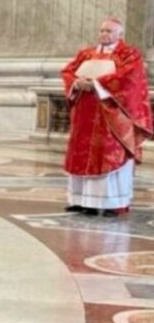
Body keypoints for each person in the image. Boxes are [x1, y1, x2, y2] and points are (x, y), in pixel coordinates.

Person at [61, 18, 152, 216]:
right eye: (101, 30)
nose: (104, 34)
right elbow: (68, 71)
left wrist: (96, 84)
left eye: (109, 31)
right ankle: (81, 200)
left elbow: (130, 79)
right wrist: (76, 82)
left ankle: (111, 204)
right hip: (85, 113)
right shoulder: (86, 54)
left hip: (111, 116)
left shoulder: (129, 55)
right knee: (82, 155)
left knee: (109, 156)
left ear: (120, 34)